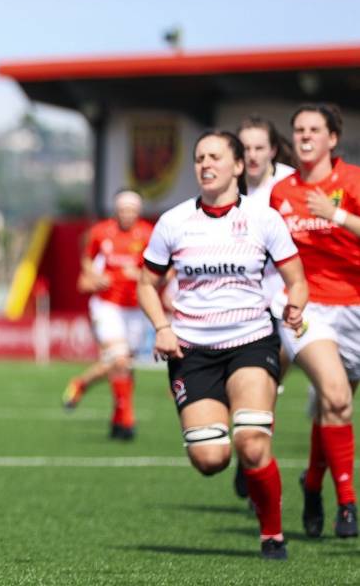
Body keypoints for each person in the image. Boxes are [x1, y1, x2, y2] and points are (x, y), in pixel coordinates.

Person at [138, 130, 308, 559]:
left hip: (251, 340)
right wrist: (161, 326)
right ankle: (244, 461)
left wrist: (295, 307)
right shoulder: (173, 221)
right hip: (191, 350)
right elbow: (146, 283)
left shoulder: (264, 218)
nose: (205, 164)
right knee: (210, 459)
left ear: (237, 166)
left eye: (215, 156)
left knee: (251, 441)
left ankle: (272, 534)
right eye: (199, 157)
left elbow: (297, 279)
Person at [268, 103, 360, 539]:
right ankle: (347, 504)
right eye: (298, 128)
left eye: (314, 129)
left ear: (332, 138)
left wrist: (337, 216)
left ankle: (312, 483)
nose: (305, 135)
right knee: (337, 396)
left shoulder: (353, 181)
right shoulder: (280, 192)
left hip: (355, 307)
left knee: (332, 407)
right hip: (307, 308)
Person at [229, 116, 296, 500]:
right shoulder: (228, 188)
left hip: (289, 296)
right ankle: (249, 455)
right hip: (245, 300)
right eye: (246, 148)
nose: (252, 155)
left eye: (259, 147)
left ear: (272, 149)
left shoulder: (289, 184)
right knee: (253, 386)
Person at [62, 189, 154, 440]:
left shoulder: (149, 234)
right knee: (120, 359)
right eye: (123, 209)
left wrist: (143, 277)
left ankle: (82, 385)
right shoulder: (101, 232)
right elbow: (87, 261)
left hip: (136, 307)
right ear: (116, 210)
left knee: (121, 364)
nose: (127, 214)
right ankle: (126, 422)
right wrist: (94, 276)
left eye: (132, 210)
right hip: (107, 305)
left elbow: (162, 270)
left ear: (139, 211)